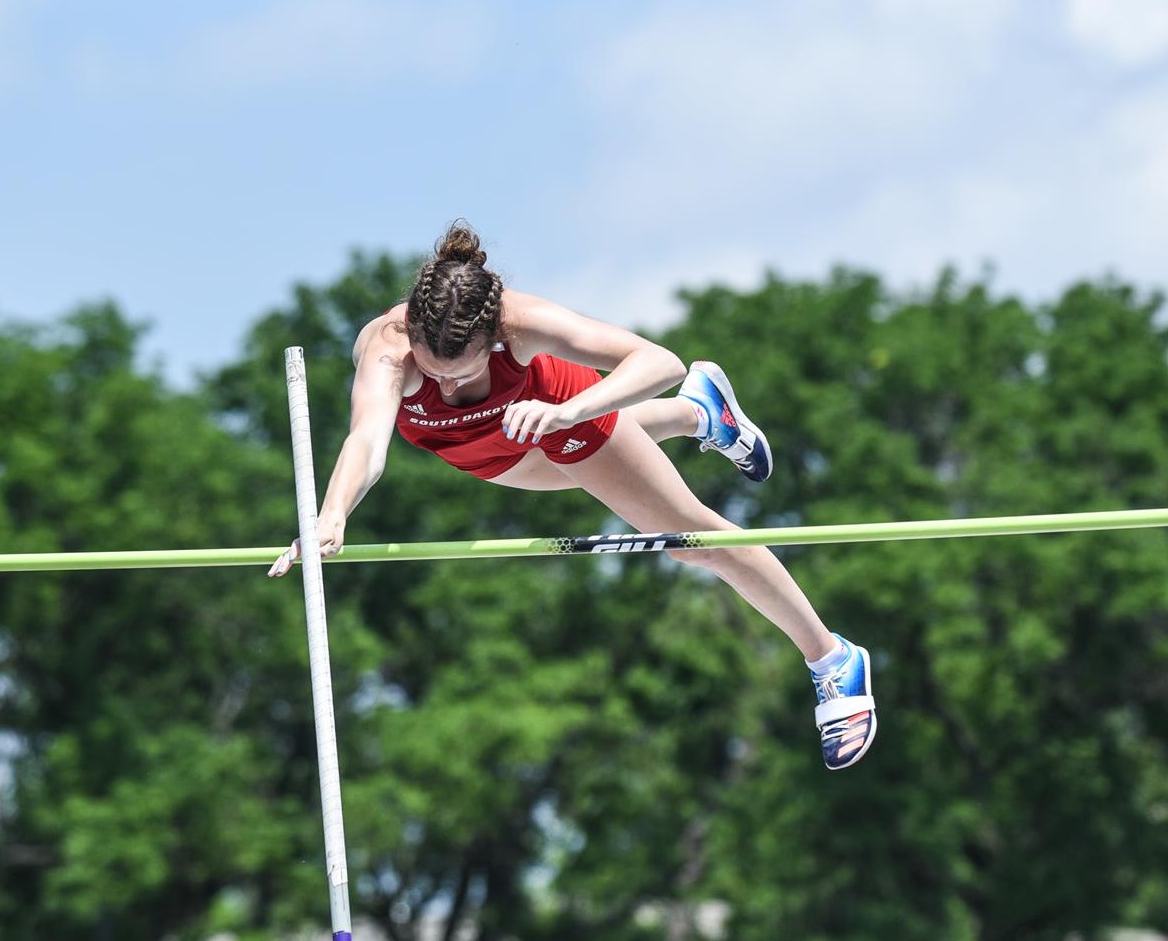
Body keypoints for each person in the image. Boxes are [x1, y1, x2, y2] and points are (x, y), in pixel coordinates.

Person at [270, 222, 876, 770]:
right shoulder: (387, 349)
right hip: (494, 454)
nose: (446, 384)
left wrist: (569, 411)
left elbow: (658, 360)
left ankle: (832, 659)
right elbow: (367, 440)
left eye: (464, 370)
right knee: (611, 468)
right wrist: (331, 516)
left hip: (564, 425)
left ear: (494, 335)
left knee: (691, 541)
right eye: (432, 371)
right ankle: (701, 413)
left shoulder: (522, 322)